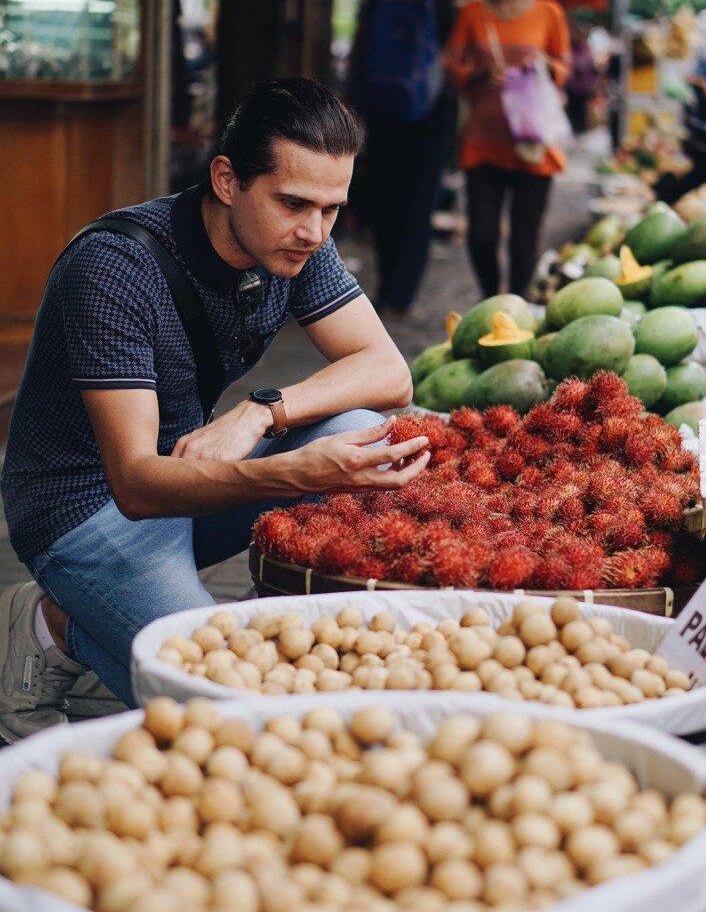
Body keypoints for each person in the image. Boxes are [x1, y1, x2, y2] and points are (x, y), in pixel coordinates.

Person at [0, 76, 430, 742]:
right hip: (83, 509)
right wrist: (299, 471)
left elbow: (389, 372)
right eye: (294, 202)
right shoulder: (113, 269)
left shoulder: (295, 240)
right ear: (227, 180)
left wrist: (262, 412)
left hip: (187, 474)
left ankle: (198, 621)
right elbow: (137, 484)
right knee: (223, 707)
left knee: (374, 433)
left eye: (332, 208)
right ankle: (54, 625)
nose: (315, 230)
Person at [442, 0, 571, 299]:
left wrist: (543, 65)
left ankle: (516, 306)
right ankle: (491, 297)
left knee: (524, 241)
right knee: (481, 236)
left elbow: (565, 69)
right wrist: (479, 75)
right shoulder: (472, 13)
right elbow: (450, 66)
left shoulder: (549, 12)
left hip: (534, 143)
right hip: (483, 142)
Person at [348, 0, 459, 319]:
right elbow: (452, 63)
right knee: (418, 203)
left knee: (385, 199)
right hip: (430, 112)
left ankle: (386, 289)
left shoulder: (376, 4)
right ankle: (401, 294)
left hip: (382, 109)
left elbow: (361, 51)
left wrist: (356, 101)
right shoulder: (444, 7)